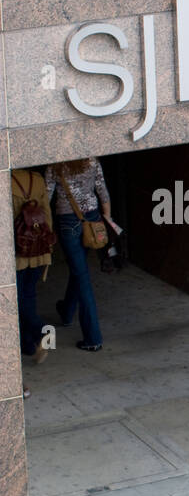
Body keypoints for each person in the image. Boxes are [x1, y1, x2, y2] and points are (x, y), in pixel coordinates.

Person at [44, 157, 115, 351]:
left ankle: (93, 338)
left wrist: (46, 228)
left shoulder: (54, 165)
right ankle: (66, 311)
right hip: (92, 219)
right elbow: (103, 192)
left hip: (68, 222)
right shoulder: (91, 161)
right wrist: (107, 219)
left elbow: (46, 197)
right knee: (79, 270)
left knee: (81, 275)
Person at [11, 168, 54, 382]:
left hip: (18, 252)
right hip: (38, 250)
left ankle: (40, 332)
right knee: (29, 296)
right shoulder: (37, 180)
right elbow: (47, 214)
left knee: (17, 300)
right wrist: (48, 249)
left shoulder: (6, 182)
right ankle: (28, 346)